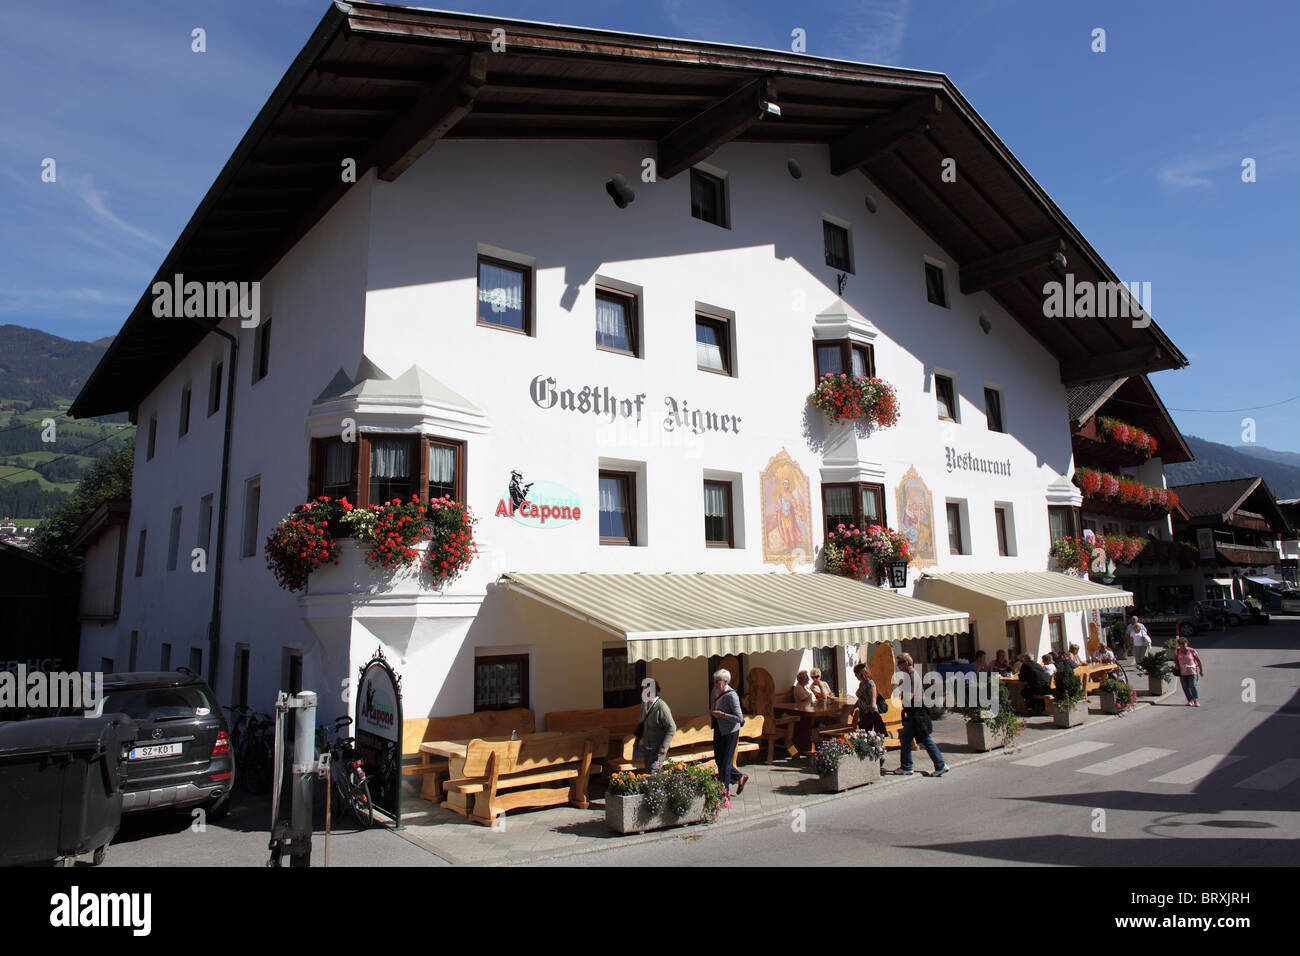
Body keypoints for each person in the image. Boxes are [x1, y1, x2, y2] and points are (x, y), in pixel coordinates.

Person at [890, 653, 947, 777]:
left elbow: (908, 696)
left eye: (899, 663)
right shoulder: (912, 676)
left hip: (916, 713)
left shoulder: (911, 677)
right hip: (915, 712)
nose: (898, 666)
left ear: (906, 663)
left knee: (925, 739)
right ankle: (907, 766)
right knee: (906, 739)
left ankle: (940, 764)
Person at [710, 669, 748, 793]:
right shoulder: (715, 692)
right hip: (718, 730)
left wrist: (722, 715)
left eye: (717, 682)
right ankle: (739, 777)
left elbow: (739, 718)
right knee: (719, 761)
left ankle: (723, 794)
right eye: (714, 681)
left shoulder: (732, 695)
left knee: (725, 763)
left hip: (730, 732)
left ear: (725, 682)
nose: (715, 684)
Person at [633, 678, 675, 771]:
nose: (643, 691)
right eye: (643, 689)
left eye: (645, 689)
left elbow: (672, 727)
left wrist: (664, 746)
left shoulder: (661, 706)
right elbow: (642, 724)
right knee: (648, 772)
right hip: (647, 747)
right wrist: (637, 741)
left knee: (653, 772)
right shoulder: (644, 705)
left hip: (658, 748)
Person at [852, 662, 888, 738]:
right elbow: (861, 698)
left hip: (869, 711)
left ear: (860, 674)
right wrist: (854, 707)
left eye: (856, 674)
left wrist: (872, 710)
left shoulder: (869, 683)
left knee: (867, 731)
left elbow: (873, 697)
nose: (855, 676)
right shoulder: (862, 683)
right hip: (863, 711)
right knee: (864, 731)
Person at [1174, 637, 1205, 707]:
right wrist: (1177, 665)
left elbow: (1199, 661)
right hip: (1182, 672)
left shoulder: (1192, 651)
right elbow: (1175, 659)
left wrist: (1201, 671)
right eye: (1181, 645)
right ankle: (1190, 700)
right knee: (1185, 687)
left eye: (1184, 645)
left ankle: (1195, 700)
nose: (1182, 647)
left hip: (1192, 672)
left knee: (1193, 685)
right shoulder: (1177, 651)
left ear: (1186, 644)